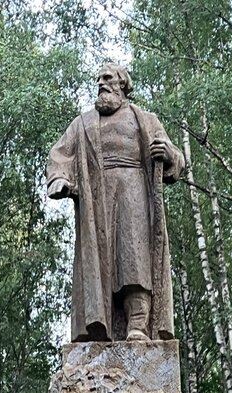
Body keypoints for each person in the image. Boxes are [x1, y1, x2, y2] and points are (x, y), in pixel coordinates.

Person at [47, 63, 184, 344]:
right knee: (101, 264)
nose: (101, 83)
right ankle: (100, 326)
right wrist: (59, 179)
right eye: (98, 79)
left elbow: (177, 160)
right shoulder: (83, 123)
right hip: (97, 198)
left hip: (135, 193)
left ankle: (138, 324)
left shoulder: (145, 120)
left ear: (123, 84)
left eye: (107, 78)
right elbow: (60, 154)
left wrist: (169, 154)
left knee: (134, 258)